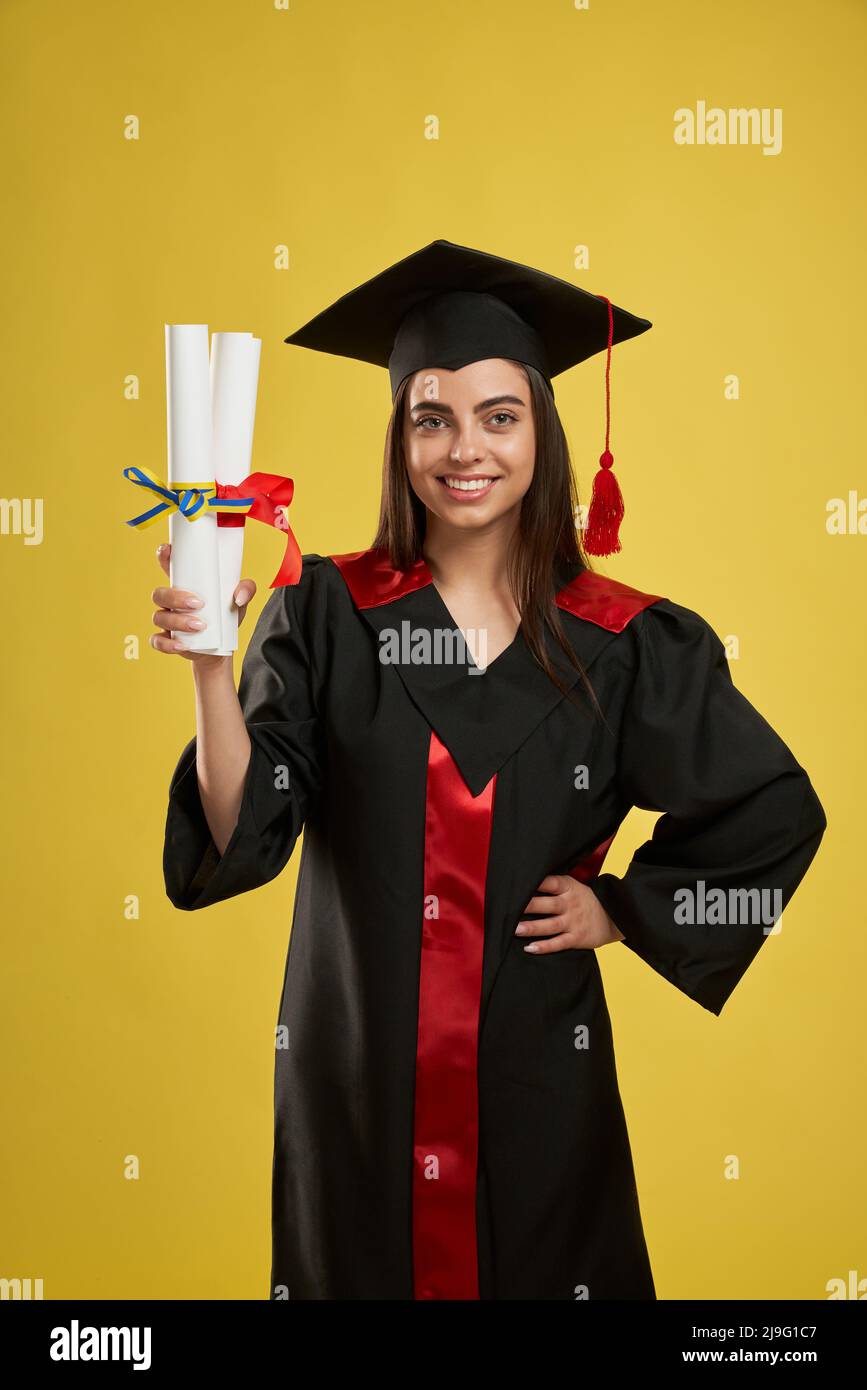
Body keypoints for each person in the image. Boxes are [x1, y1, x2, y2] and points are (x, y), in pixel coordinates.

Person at [154, 240, 827, 1300]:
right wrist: (209, 671)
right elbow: (243, 833)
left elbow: (774, 808)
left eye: (499, 415)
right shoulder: (326, 613)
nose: (465, 448)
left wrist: (624, 908)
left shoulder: (622, 639)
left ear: (541, 434)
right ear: (401, 437)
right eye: (433, 417)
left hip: (534, 1082)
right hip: (359, 1088)